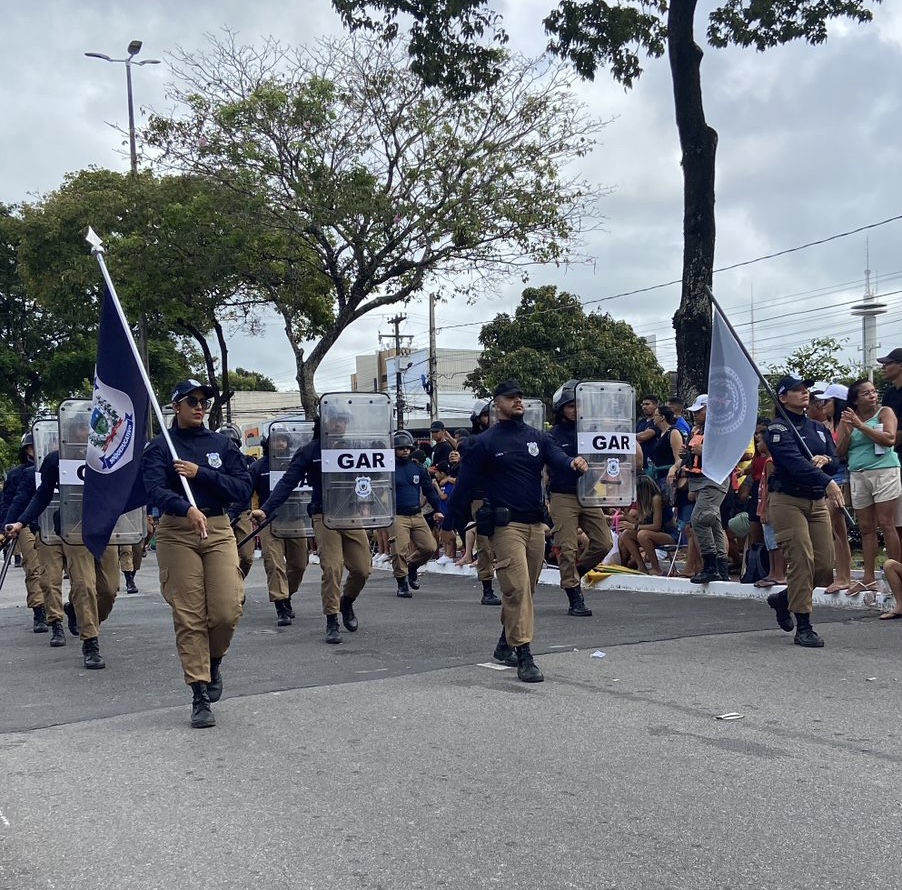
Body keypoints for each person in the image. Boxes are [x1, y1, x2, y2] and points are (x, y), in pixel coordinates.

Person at [446, 379, 589, 683]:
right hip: (504, 525)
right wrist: (449, 522)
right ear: (497, 403)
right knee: (518, 588)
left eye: (520, 397)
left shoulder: (537, 437)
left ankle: (503, 644)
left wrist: (574, 462)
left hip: (535, 523)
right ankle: (524, 655)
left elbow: (559, 461)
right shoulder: (485, 442)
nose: (518, 401)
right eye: (511, 397)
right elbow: (465, 485)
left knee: (526, 590)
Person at [143, 380, 252, 729]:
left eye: (204, 401)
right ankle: (199, 693)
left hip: (218, 528)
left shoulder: (220, 443)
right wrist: (182, 506)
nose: (200, 406)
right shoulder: (161, 447)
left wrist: (200, 473)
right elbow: (154, 489)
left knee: (226, 609)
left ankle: (214, 660)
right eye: (192, 401)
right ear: (176, 406)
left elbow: (242, 487)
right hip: (178, 531)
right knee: (189, 614)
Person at [253, 405, 372, 645]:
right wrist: (265, 509)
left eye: (343, 421)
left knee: (363, 569)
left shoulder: (353, 449)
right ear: (323, 423)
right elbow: (287, 482)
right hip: (323, 516)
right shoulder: (309, 451)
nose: (339, 425)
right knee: (332, 568)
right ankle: (331, 621)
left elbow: (371, 478)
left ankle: (346, 602)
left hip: (350, 515)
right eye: (334, 420)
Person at [764, 376, 843, 648]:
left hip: (816, 501)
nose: (804, 393)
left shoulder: (818, 428)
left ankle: (783, 599)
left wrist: (827, 461)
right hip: (788, 500)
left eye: (805, 389)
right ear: (783, 398)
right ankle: (804, 626)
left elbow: (835, 459)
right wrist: (827, 481)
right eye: (796, 390)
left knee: (823, 567)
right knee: (801, 559)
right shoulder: (777, 429)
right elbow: (794, 463)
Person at [546, 379, 612, 616]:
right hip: (563, 494)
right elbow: (554, 459)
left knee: (605, 542)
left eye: (579, 405)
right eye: (571, 405)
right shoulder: (552, 436)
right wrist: (571, 462)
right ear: (560, 408)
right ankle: (574, 595)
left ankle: (576, 572)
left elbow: (606, 458)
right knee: (567, 546)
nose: (576, 410)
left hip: (589, 492)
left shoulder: (593, 432)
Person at [836, 379, 901, 597]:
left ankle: (896, 573)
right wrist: (847, 429)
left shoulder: (885, 412)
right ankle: (868, 578)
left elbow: (890, 439)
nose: (872, 396)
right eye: (866, 394)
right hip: (858, 472)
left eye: (873, 392)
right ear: (855, 399)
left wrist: (862, 426)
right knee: (865, 527)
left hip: (884, 471)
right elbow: (840, 451)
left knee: (886, 523)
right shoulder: (848, 418)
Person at [247, 431, 309, 625]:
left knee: (299, 564)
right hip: (269, 521)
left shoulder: (295, 465)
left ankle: (287, 593)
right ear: (268, 444)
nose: (280, 444)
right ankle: (280, 603)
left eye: (284, 441)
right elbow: (246, 493)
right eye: (276, 441)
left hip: (296, 519)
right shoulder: (258, 467)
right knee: (274, 563)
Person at [667, 394, 729, 584]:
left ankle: (710, 566)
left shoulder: (722, 430)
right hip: (700, 480)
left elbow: (734, 454)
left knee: (700, 520)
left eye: (699, 411)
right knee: (713, 522)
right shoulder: (697, 430)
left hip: (714, 479)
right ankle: (720, 568)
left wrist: (705, 452)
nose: (695, 415)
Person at [1, 434, 48, 633]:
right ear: (27, 450)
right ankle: (39, 610)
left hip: (54, 525)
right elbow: (9, 503)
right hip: (27, 525)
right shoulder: (17, 474)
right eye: (32, 446)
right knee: (34, 568)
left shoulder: (55, 466)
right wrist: (4, 528)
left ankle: (69, 607)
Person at [808, 383, 852, 594]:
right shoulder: (826, 425)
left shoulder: (844, 422)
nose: (823, 405)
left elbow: (840, 452)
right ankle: (840, 573)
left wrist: (829, 454)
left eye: (827, 401)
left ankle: (844, 575)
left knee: (836, 527)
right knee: (835, 528)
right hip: (828, 476)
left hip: (841, 474)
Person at [391, 430, 444, 596]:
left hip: (416, 514)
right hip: (398, 515)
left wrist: (438, 509)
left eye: (407, 448)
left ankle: (412, 566)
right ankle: (402, 583)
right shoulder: (388, 469)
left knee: (430, 547)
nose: (405, 451)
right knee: (399, 550)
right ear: (393, 449)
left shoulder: (418, 468)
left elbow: (429, 490)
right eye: (401, 448)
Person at [617, 476, 679, 575]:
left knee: (642, 535)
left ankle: (656, 568)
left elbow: (656, 526)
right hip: (653, 533)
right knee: (626, 534)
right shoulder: (643, 502)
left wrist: (635, 527)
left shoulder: (656, 498)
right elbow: (642, 524)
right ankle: (641, 566)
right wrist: (626, 515)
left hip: (668, 535)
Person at [221, 423, 257, 580]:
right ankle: (229, 589)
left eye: (233, 443)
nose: (231, 447)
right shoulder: (213, 464)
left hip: (242, 512)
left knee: (246, 556)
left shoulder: (248, 463)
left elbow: (247, 489)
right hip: (220, 512)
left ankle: (237, 583)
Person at [636, 395, 659, 470]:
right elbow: (635, 439)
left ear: (655, 405)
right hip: (640, 464)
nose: (644, 407)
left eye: (647, 404)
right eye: (643, 404)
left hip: (652, 465)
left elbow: (643, 437)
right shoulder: (641, 422)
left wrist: (635, 436)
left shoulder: (657, 422)